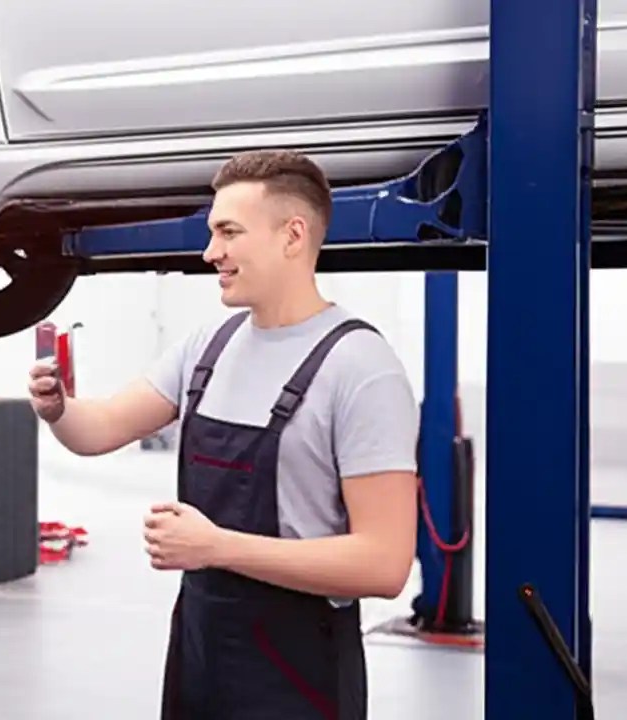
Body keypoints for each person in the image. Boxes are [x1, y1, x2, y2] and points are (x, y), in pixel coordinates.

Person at [28, 150, 419, 719]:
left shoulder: (361, 367)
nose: (211, 252)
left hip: (299, 676)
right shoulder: (208, 347)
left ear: (292, 235)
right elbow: (99, 429)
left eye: (228, 232)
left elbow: (383, 565)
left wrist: (217, 547)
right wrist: (59, 407)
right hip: (201, 652)